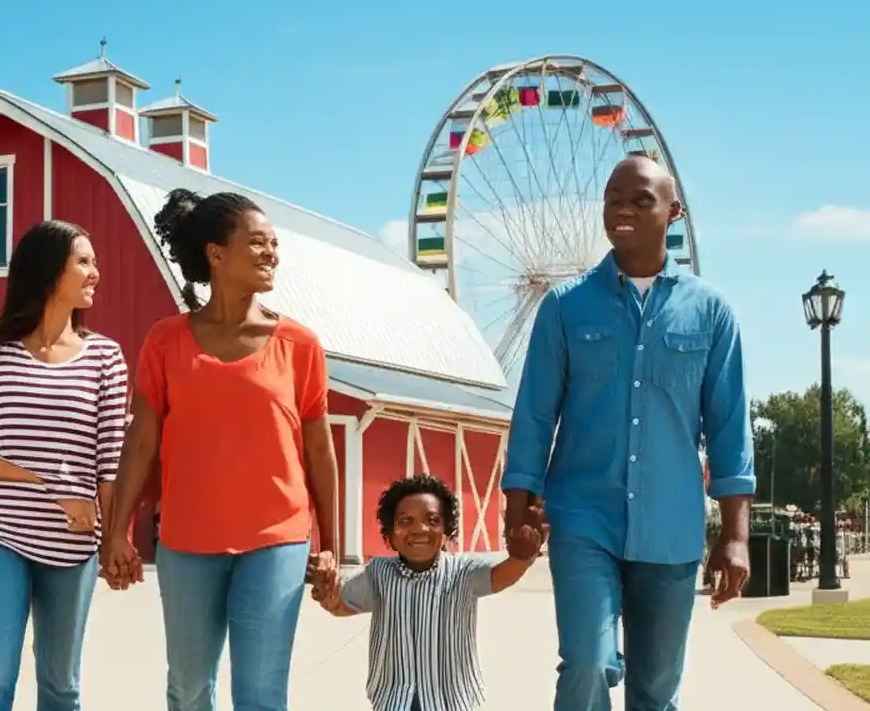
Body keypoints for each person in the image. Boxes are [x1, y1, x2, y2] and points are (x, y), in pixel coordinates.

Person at [502, 154, 755, 710]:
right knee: (588, 663)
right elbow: (535, 415)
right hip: (582, 520)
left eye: (641, 199)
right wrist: (517, 507)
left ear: (674, 211)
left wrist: (735, 537)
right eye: (613, 199)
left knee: (656, 692)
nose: (623, 210)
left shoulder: (711, 314)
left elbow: (730, 430)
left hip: (672, 527)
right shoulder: (564, 309)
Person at [101, 188, 341, 711]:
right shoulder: (164, 341)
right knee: (188, 689)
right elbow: (141, 442)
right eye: (256, 243)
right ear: (216, 254)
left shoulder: (300, 345)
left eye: (274, 244)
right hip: (187, 541)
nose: (271, 253)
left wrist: (330, 544)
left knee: (260, 692)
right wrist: (117, 530)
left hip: (277, 539)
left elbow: (320, 453)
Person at [0, 219, 129, 711]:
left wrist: (115, 535)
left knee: (61, 684)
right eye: (84, 262)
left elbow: (109, 463)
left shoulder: (106, 358)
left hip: (73, 545)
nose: (96, 273)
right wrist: (56, 488)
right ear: (51, 272)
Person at [311, 475, 547, 711]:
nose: (420, 529)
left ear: (446, 532)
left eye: (432, 520)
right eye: (406, 521)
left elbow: (501, 576)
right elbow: (344, 603)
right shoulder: (379, 574)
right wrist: (330, 598)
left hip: (450, 699)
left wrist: (523, 557)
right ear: (391, 536)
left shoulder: (462, 573)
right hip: (395, 700)